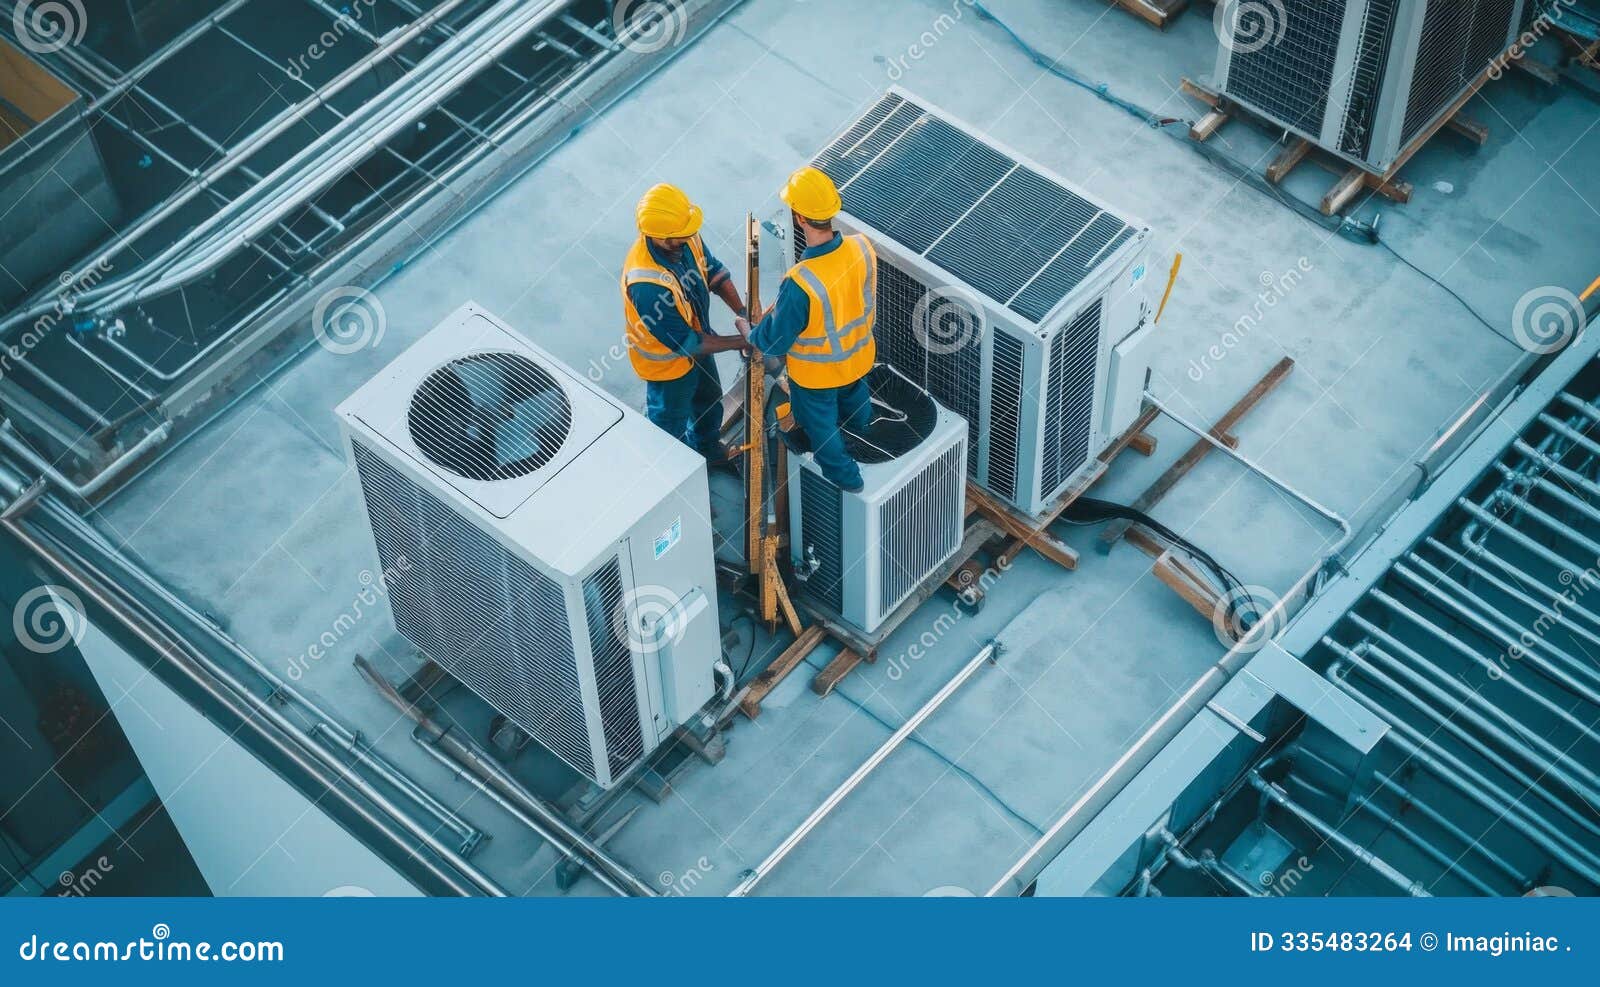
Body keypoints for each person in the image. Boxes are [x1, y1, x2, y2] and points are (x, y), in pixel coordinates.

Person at [750, 166, 876, 492]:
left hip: (817, 378)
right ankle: (866, 441)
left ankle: (849, 481)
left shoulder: (800, 282)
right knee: (856, 407)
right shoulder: (862, 247)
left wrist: (752, 332)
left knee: (822, 429)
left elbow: (775, 343)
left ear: (799, 217)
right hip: (858, 358)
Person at [621, 183, 751, 463]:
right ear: (660, 237)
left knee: (709, 401)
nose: (690, 236)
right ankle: (676, 469)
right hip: (668, 366)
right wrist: (743, 341)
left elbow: (714, 273)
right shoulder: (646, 283)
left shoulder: (684, 233)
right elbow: (686, 342)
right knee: (669, 426)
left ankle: (708, 451)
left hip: (698, 340)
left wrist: (744, 313)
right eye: (681, 236)